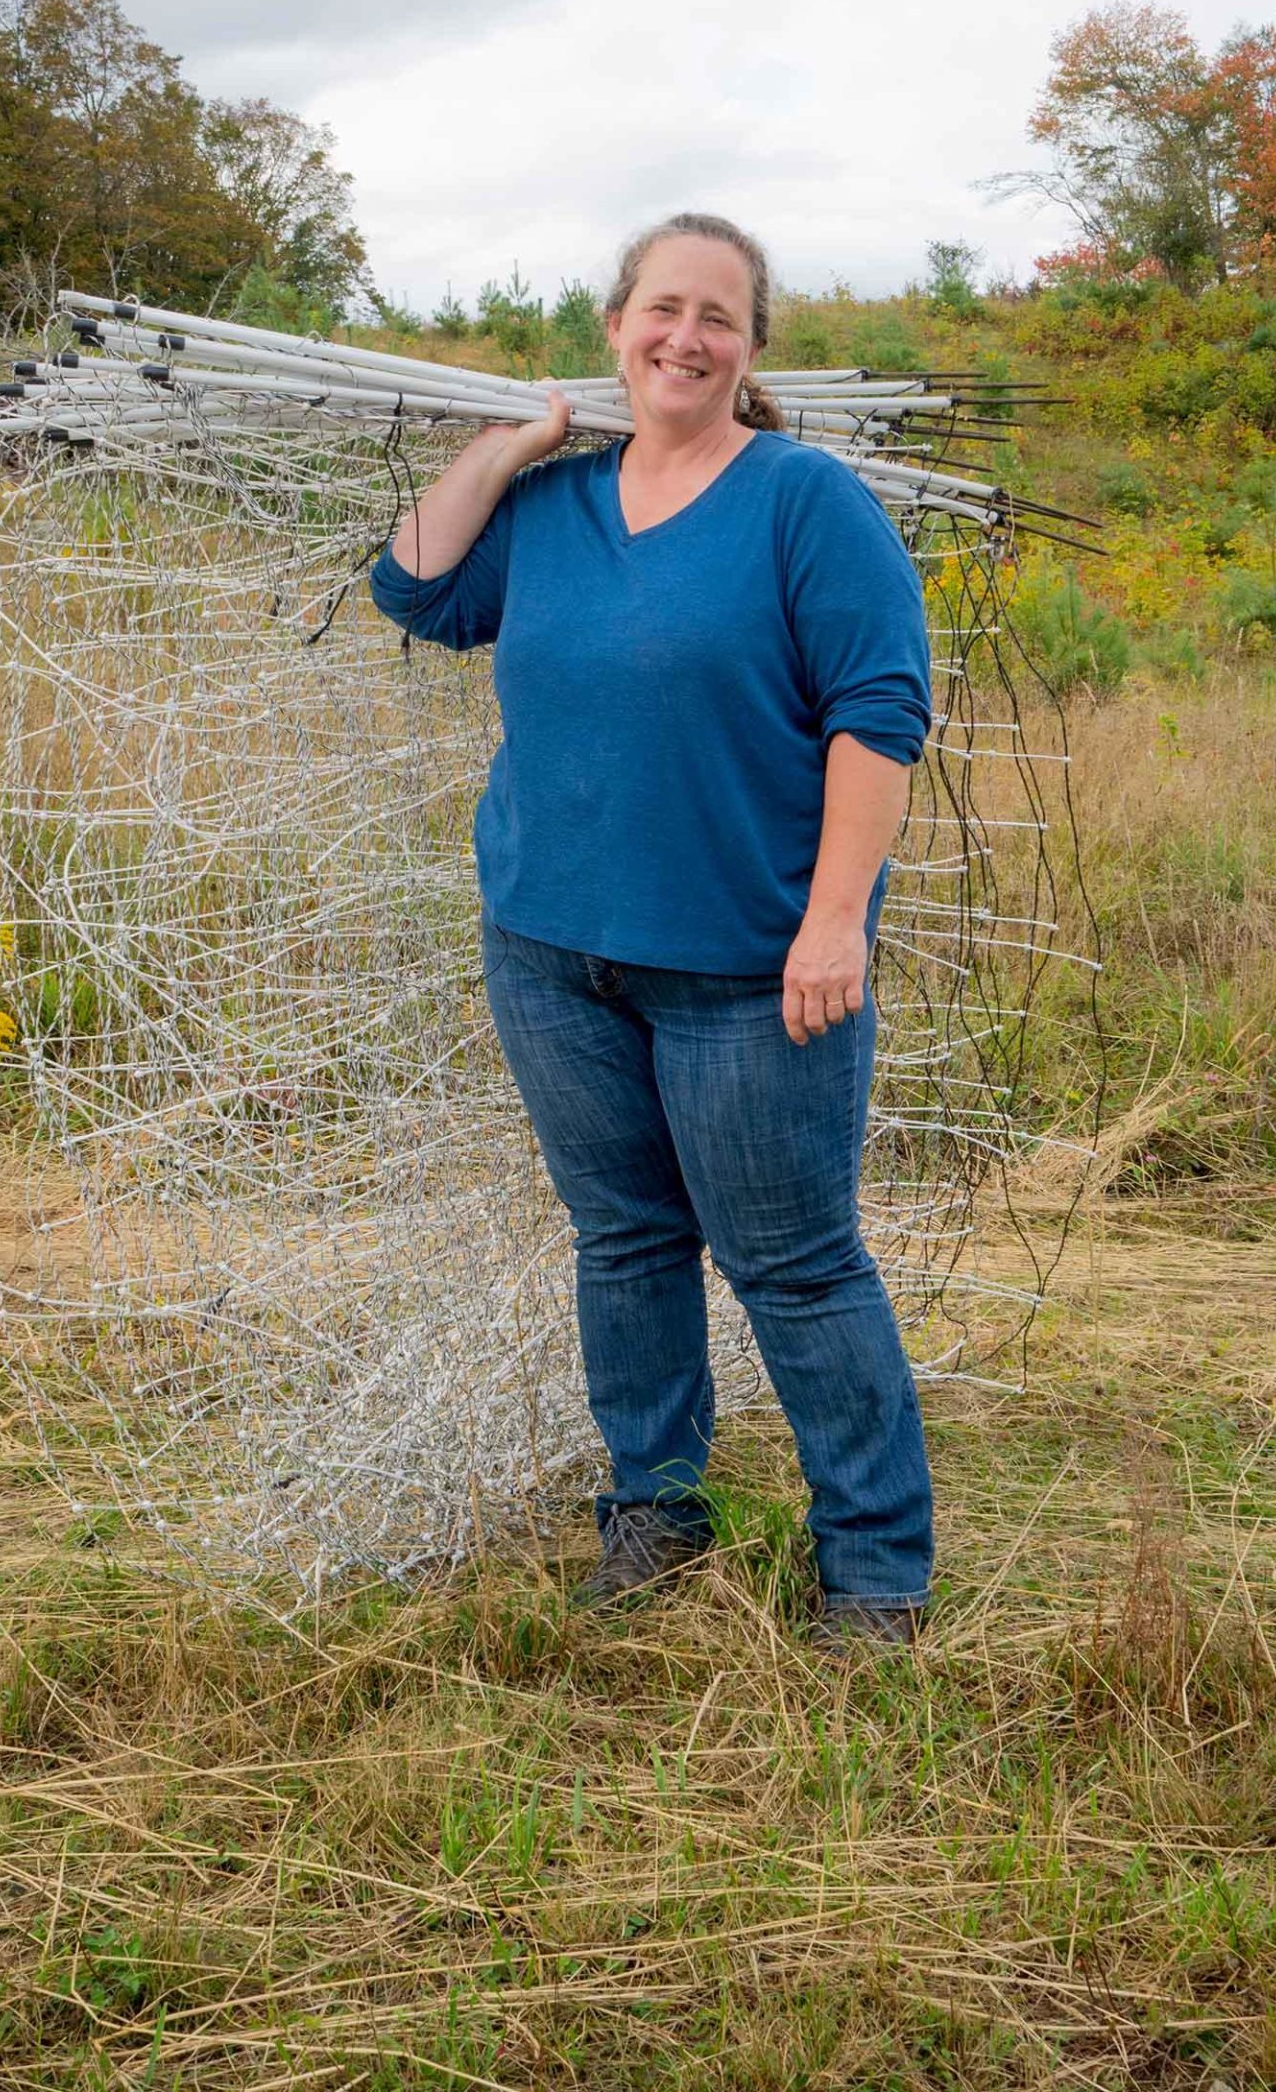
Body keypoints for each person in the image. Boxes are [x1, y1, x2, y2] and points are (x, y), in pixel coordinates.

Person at [369, 212, 934, 1644]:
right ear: (617, 326)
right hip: (552, 955)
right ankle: (655, 1516)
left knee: (794, 1266)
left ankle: (875, 1568)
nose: (687, 338)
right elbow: (413, 587)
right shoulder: (553, 506)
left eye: (718, 317)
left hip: (750, 970)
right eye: (663, 309)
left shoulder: (806, 502)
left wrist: (835, 922)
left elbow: (879, 716)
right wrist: (511, 444)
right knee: (625, 1241)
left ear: (752, 350)